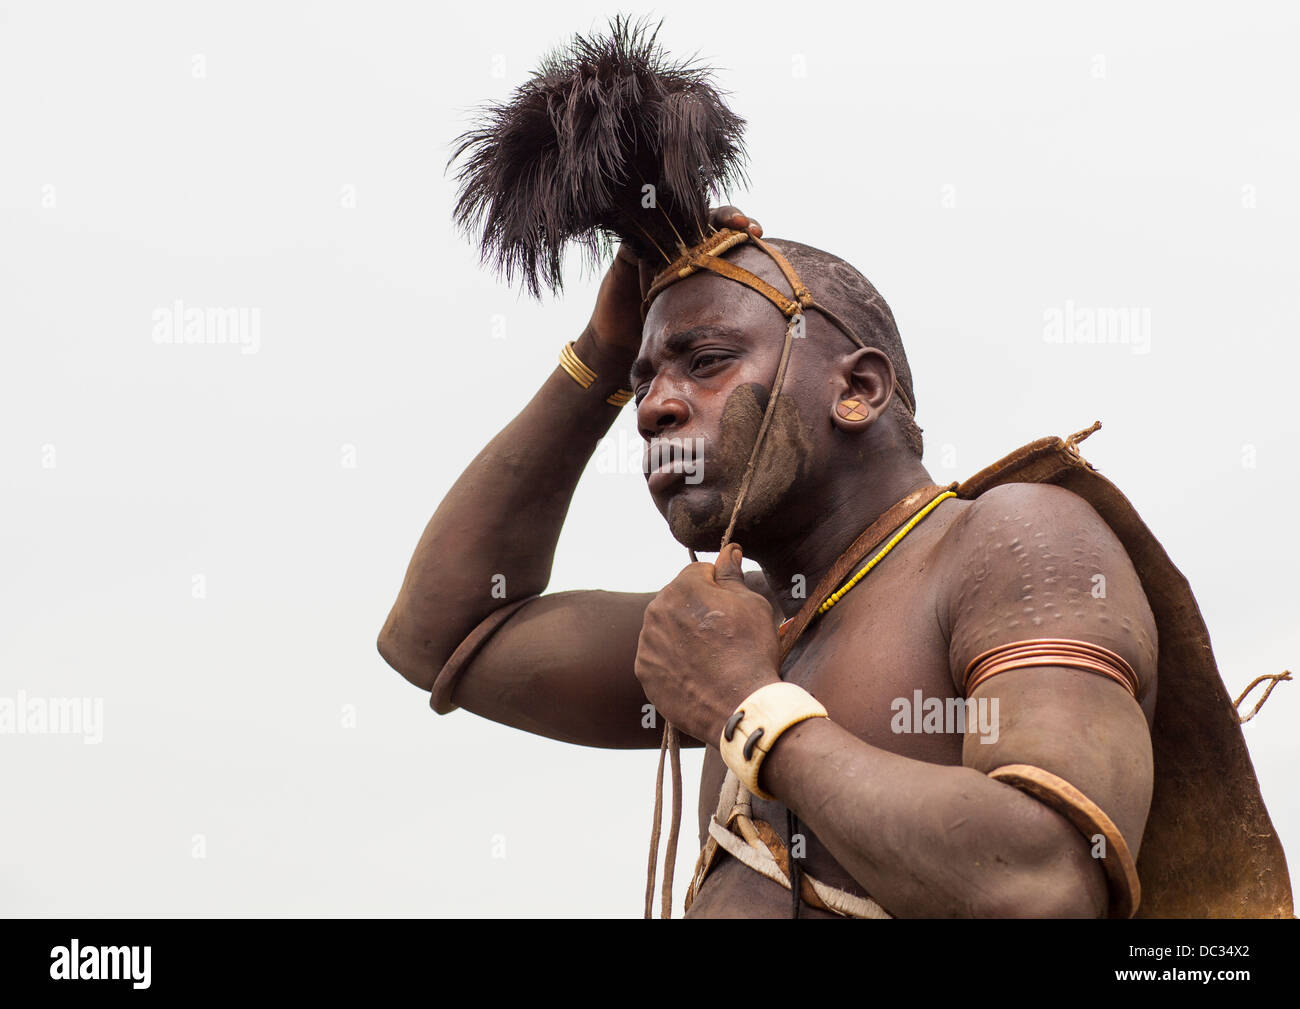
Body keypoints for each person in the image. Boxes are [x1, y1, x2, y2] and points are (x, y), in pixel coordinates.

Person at [377, 205, 1186, 918]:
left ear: (859, 389)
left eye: (706, 361)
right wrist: (598, 356)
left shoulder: (1012, 537)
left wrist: (749, 707)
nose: (656, 407)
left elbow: (1046, 883)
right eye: (645, 378)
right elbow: (439, 636)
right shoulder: (742, 622)